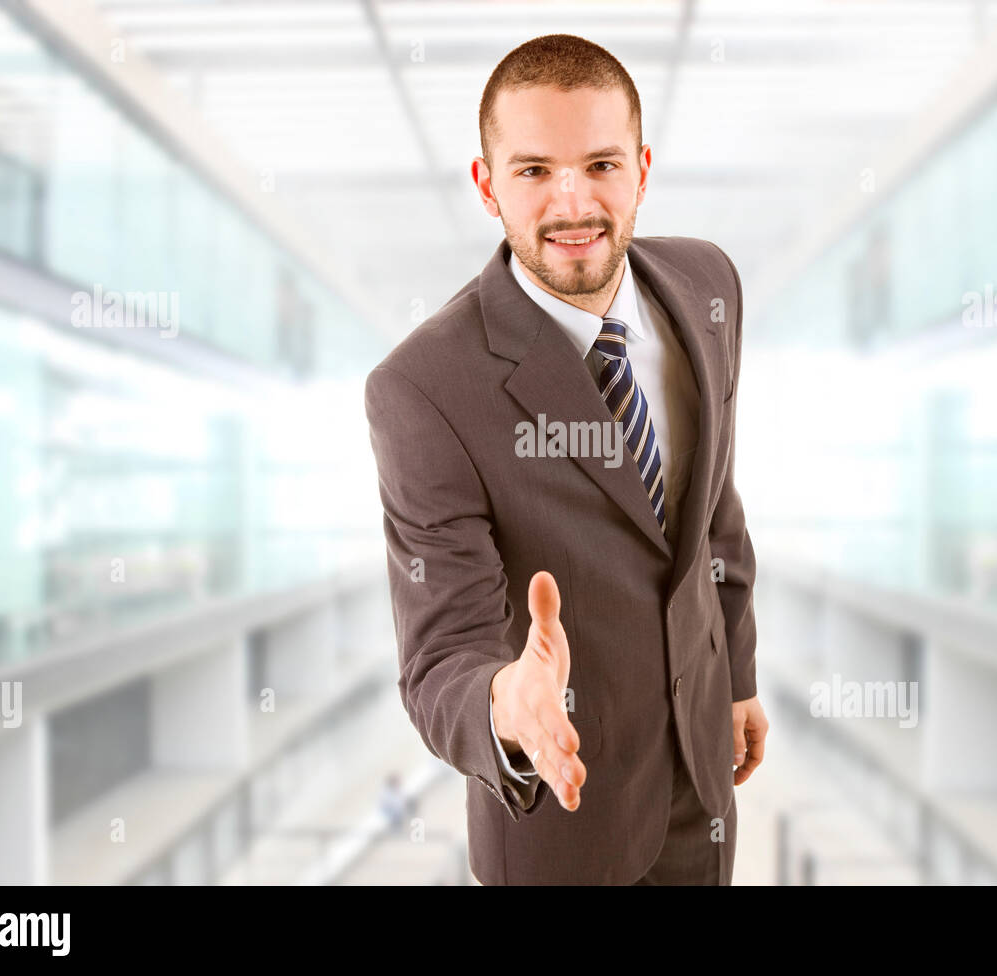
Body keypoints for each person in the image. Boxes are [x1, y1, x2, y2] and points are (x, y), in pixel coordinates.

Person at [364, 33, 766, 885]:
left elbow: (713, 508)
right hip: (564, 822)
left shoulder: (709, 287)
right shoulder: (424, 388)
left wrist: (736, 675)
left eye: (601, 164)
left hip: (704, 793)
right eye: (535, 170)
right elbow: (440, 658)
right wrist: (507, 706)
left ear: (643, 169)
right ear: (486, 185)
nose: (573, 202)